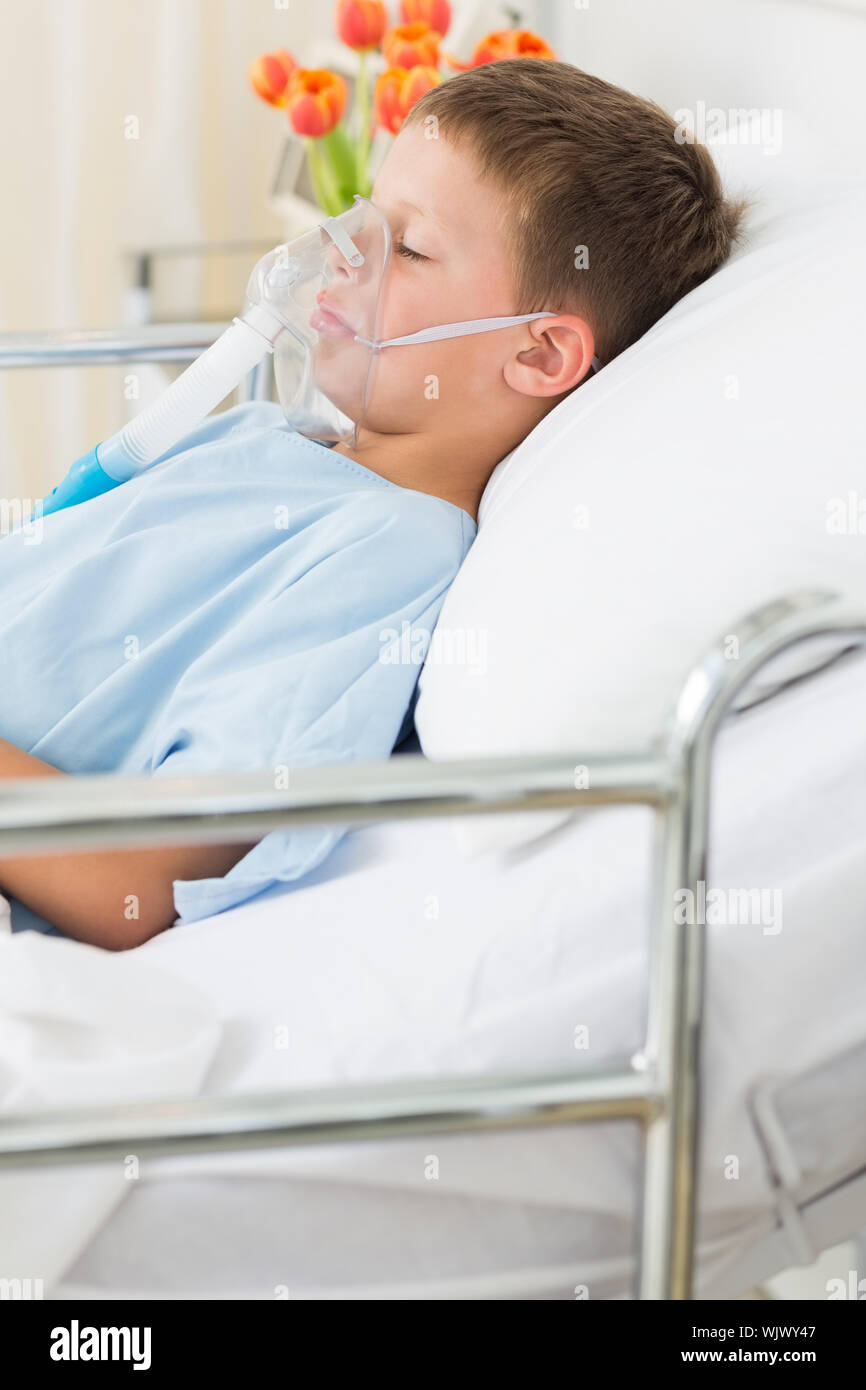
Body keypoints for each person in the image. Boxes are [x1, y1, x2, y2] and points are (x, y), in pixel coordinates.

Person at [0, 60, 746, 949]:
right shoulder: (269, 435)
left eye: (413, 244)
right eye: (363, 208)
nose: (343, 248)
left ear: (543, 356)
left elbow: (138, 879)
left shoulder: (390, 553)